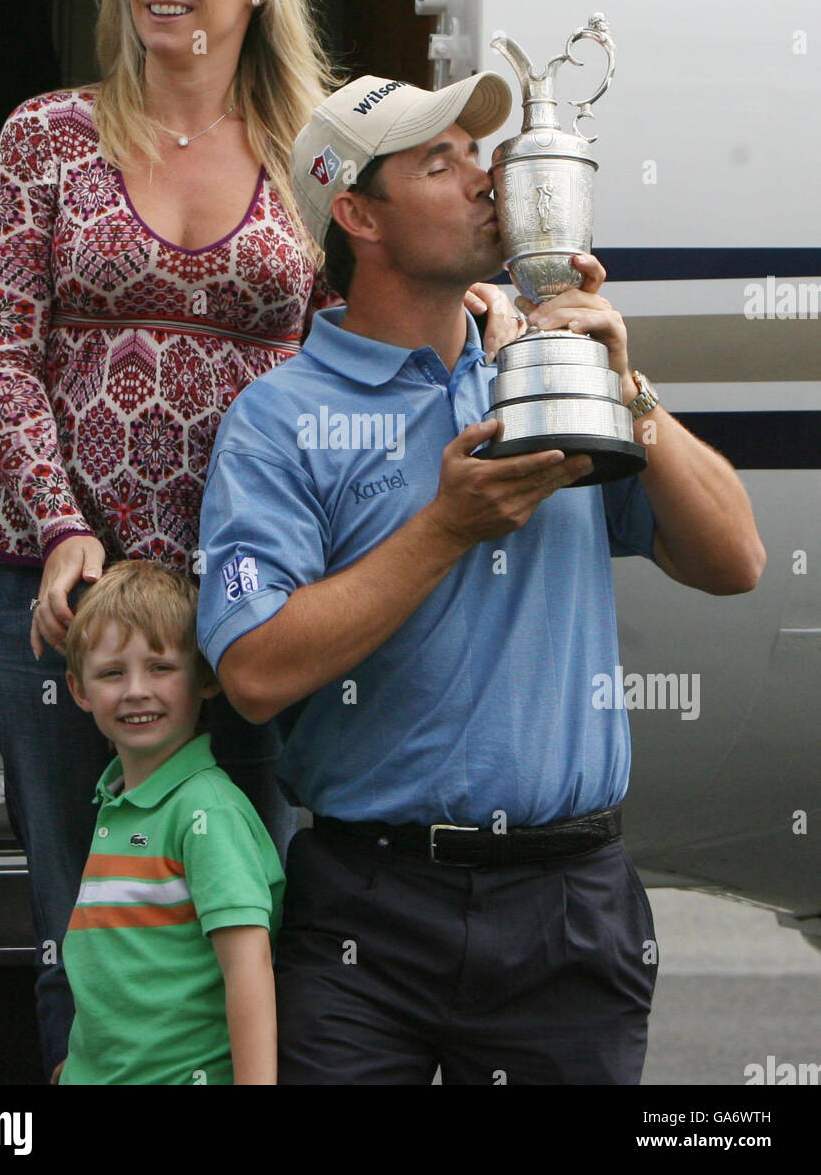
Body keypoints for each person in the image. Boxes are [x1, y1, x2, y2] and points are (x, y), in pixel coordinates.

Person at [0, 0, 514, 1080]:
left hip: (251, 588)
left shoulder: (305, 152)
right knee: (85, 924)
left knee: (247, 909)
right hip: (64, 594)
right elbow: (0, 348)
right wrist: (61, 526)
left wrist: (477, 304)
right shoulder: (47, 135)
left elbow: (375, 285)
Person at [196, 72, 767, 1085]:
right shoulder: (280, 420)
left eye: (477, 152)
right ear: (358, 214)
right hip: (364, 918)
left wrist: (625, 391)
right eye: (440, 161)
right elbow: (253, 670)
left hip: (567, 908)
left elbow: (736, 561)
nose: (484, 178)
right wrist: (446, 527)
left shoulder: (547, 367)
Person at [55, 560, 283, 1086]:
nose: (136, 690)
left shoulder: (207, 812)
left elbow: (249, 970)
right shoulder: (115, 803)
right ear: (79, 689)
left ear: (205, 677)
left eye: (160, 667)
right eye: (112, 673)